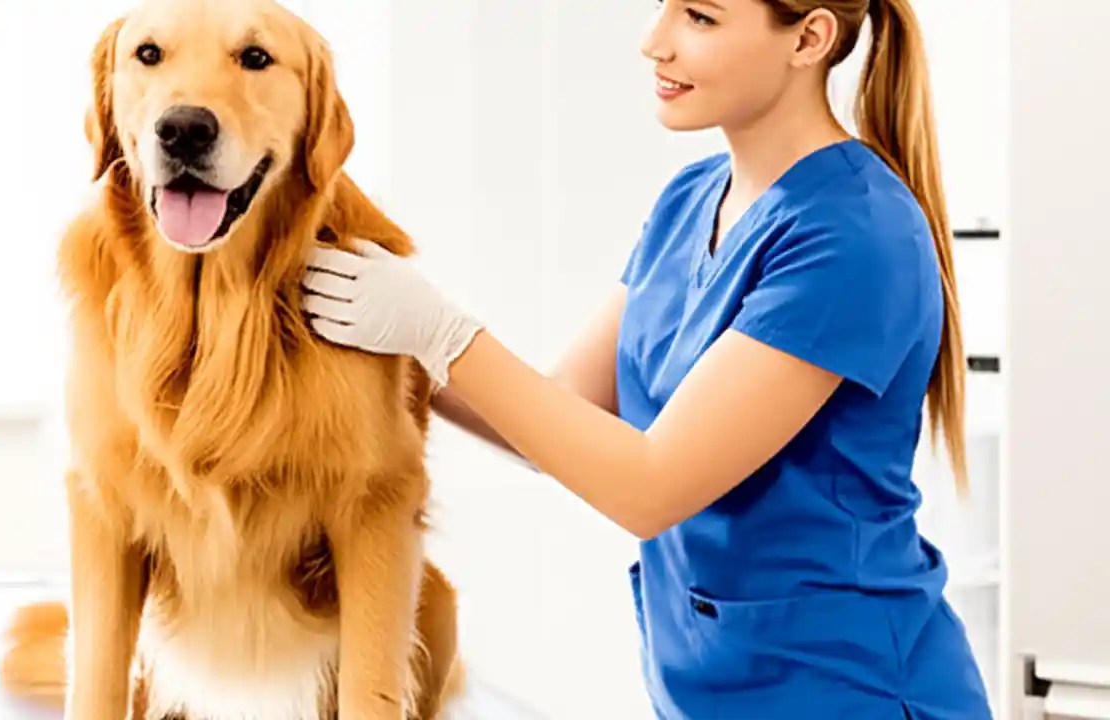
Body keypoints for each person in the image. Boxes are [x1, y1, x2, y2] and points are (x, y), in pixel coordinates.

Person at [302, 0, 992, 717]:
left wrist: (440, 332)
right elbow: (554, 416)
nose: (653, 43)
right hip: (707, 691)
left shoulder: (853, 235)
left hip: (845, 690)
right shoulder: (691, 200)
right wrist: (389, 341)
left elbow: (650, 487)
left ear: (810, 38)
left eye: (699, 17)